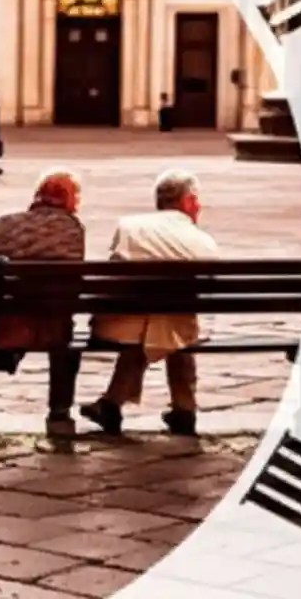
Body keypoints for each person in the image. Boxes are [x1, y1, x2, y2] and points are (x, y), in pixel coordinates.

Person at [80, 169, 219, 437]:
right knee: (174, 323)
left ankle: (112, 404)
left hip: (120, 324)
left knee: (148, 321)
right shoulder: (204, 242)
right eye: (197, 200)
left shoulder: (130, 227)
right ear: (189, 201)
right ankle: (184, 409)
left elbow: (113, 274)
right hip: (177, 325)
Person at [0, 169, 86, 437]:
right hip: (51, 327)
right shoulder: (72, 228)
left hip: (0, 325)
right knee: (64, 336)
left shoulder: (7, 223)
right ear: (70, 200)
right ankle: (59, 416)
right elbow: (73, 280)